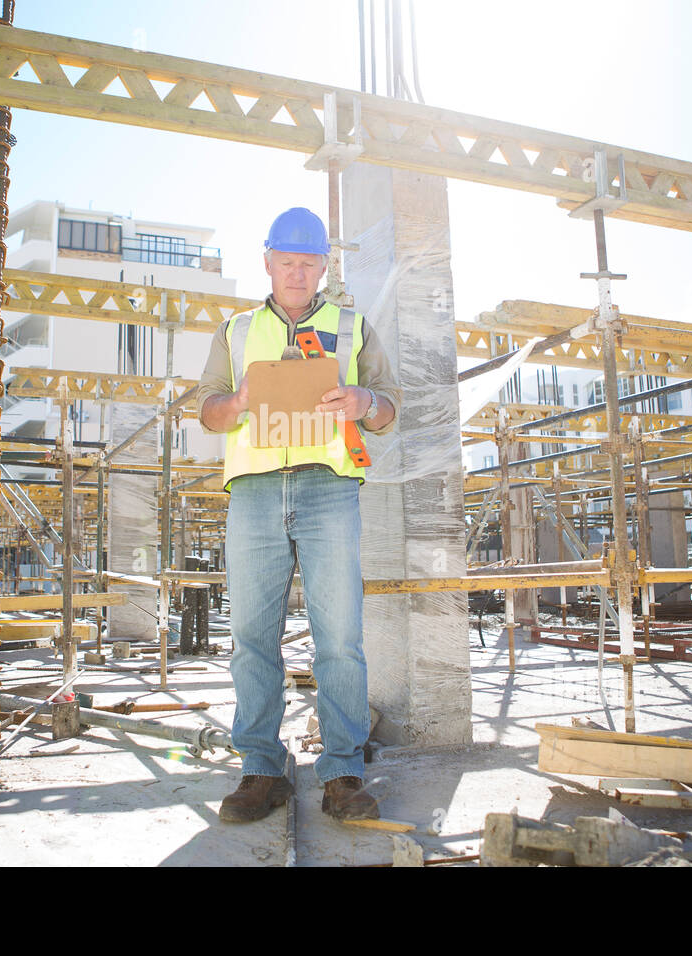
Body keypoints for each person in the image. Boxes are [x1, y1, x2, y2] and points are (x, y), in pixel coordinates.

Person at [195, 207, 401, 823]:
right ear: (267, 263)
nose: (297, 273)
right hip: (255, 491)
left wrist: (364, 399)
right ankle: (261, 768)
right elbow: (207, 411)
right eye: (287, 262)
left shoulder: (353, 326)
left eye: (308, 263)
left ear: (323, 267)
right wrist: (235, 402)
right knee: (251, 638)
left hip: (328, 489)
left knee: (339, 636)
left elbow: (390, 408)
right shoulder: (234, 330)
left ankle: (342, 770)